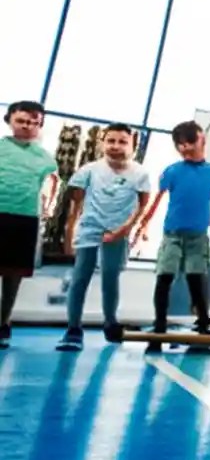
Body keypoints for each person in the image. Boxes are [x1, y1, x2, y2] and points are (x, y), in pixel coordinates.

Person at [133, 121, 210, 352]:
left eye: (190, 143)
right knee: (165, 276)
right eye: (180, 145)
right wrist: (143, 227)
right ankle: (159, 324)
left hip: (198, 236)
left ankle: (202, 322)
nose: (185, 148)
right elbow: (156, 200)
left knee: (196, 278)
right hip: (172, 235)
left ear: (202, 140)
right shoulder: (172, 171)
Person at [58, 123, 150, 350]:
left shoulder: (140, 174)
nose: (115, 146)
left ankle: (110, 323)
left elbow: (142, 207)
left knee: (110, 278)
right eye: (111, 141)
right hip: (90, 229)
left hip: (117, 233)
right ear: (102, 143)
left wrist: (124, 231)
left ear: (132, 145)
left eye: (122, 142)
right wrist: (69, 235)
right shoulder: (88, 170)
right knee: (80, 278)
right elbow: (75, 206)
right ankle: (73, 329)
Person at [0, 101, 59, 350]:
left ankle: (3, 322)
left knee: (13, 275)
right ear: (9, 120)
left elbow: (53, 187)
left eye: (33, 122)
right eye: (22, 120)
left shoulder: (45, 158)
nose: (27, 126)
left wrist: (48, 209)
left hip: (25, 218)